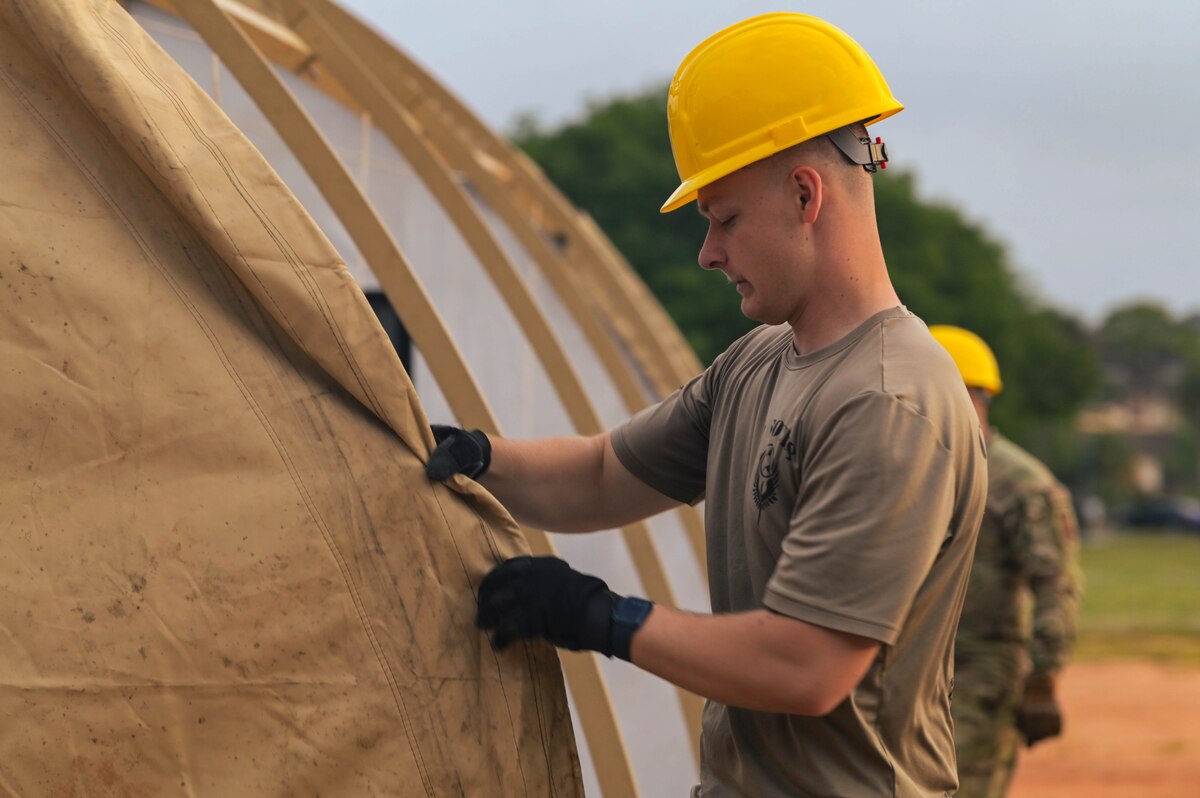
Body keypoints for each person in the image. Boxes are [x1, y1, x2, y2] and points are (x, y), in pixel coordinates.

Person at [428, 14, 987, 797]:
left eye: (724, 218)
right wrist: (475, 456)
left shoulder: (890, 401)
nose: (709, 252)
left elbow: (808, 667)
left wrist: (602, 617)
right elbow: (598, 475)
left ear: (804, 194)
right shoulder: (758, 364)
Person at [930, 325, 1083, 798]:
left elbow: (1055, 583)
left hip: (983, 667)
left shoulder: (1021, 484)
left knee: (955, 787)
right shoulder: (905, 468)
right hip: (909, 661)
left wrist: (1042, 678)